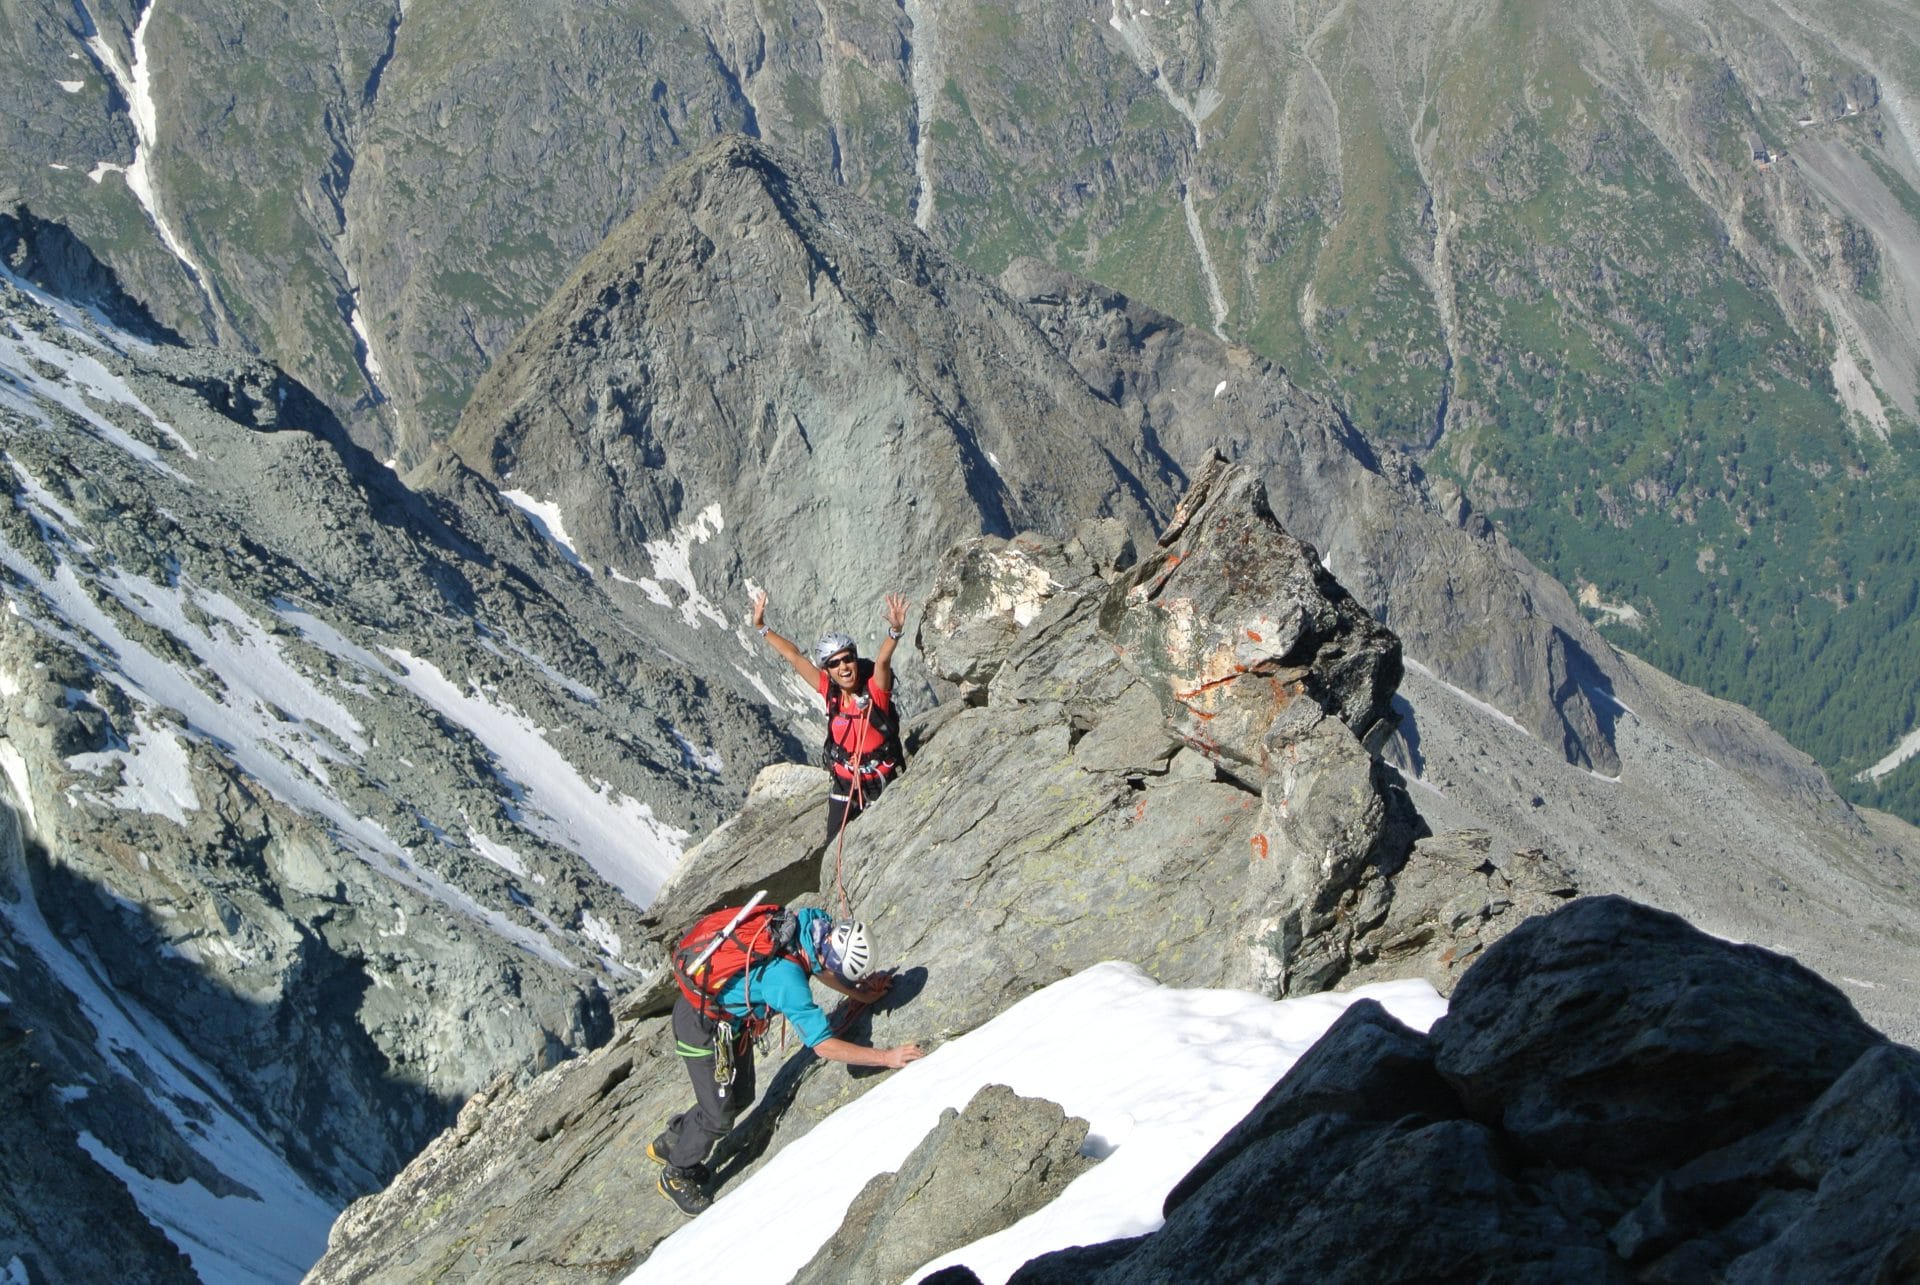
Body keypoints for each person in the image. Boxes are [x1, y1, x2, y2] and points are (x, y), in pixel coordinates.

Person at [652, 907, 924, 1215]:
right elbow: (824, 1045)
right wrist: (887, 1057)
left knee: (741, 1096)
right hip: (701, 1027)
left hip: (728, 1024)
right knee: (719, 1117)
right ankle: (676, 1171)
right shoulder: (787, 982)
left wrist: (862, 995)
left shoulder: (812, 925)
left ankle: (675, 1137)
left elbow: (820, 966)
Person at [752, 589, 909, 839]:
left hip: (879, 781)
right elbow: (793, 656)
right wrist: (761, 627)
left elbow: (882, 662)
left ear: (855, 660)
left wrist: (895, 633)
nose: (843, 667)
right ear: (827, 670)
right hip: (844, 784)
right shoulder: (830, 692)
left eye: (847, 659)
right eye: (834, 663)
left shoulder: (876, 691)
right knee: (834, 847)